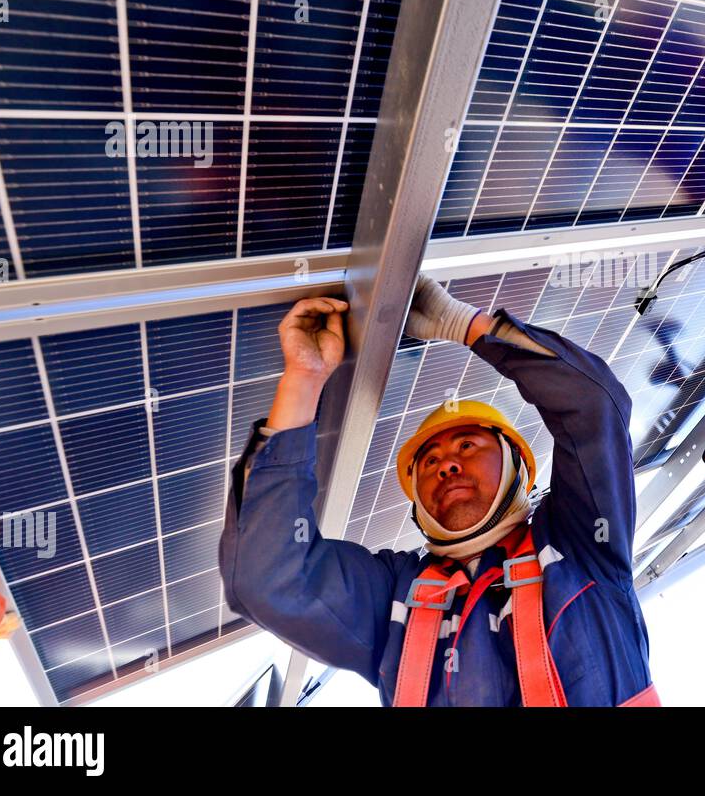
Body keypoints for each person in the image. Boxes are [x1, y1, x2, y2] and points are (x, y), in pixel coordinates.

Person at [218, 276, 657, 706]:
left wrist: (463, 325)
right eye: (428, 462)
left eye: (468, 445)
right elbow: (270, 576)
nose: (446, 464)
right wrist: (305, 379)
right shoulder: (394, 598)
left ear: (517, 466)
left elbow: (592, 405)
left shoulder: (583, 546)